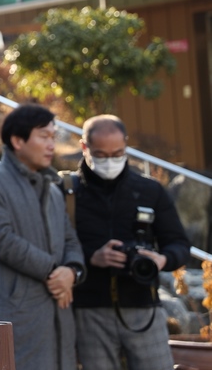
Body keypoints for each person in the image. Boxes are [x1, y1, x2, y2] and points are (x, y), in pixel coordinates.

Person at [0, 103, 86, 370]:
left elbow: (71, 240)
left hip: (59, 319)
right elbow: (0, 239)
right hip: (14, 317)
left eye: (53, 137)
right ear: (17, 141)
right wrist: (54, 271)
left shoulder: (54, 190)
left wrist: (73, 272)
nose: (51, 145)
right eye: (43, 136)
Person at [70, 114, 190, 369]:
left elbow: (179, 244)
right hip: (89, 308)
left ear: (126, 146)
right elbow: (55, 247)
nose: (110, 161)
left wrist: (161, 260)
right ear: (84, 147)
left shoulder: (150, 190)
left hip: (142, 305)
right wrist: (92, 256)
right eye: (101, 155)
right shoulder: (68, 193)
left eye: (118, 153)